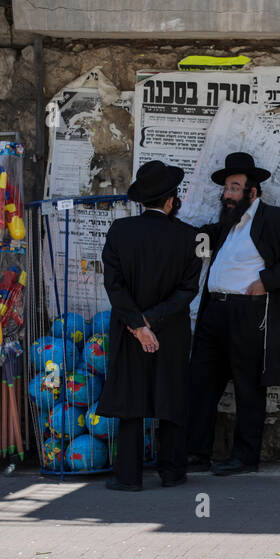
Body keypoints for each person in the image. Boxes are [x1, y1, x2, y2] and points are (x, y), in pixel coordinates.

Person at [186, 152, 280, 476]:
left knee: (248, 386)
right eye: (226, 188)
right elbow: (198, 242)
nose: (227, 194)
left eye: (234, 188)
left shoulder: (275, 218)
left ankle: (245, 457)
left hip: (249, 312)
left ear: (252, 192)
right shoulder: (225, 225)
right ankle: (196, 453)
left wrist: (265, 283)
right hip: (215, 312)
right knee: (201, 383)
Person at [94, 160, 201, 490]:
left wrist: (137, 325)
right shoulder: (189, 237)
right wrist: (152, 321)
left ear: (142, 201)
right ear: (171, 201)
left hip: (129, 332)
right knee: (170, 398)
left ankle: (128, 477)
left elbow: (114, 286)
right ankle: (172, 473)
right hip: (170, 330)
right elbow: (188, 290)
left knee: (131, 400)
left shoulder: (119, 232)